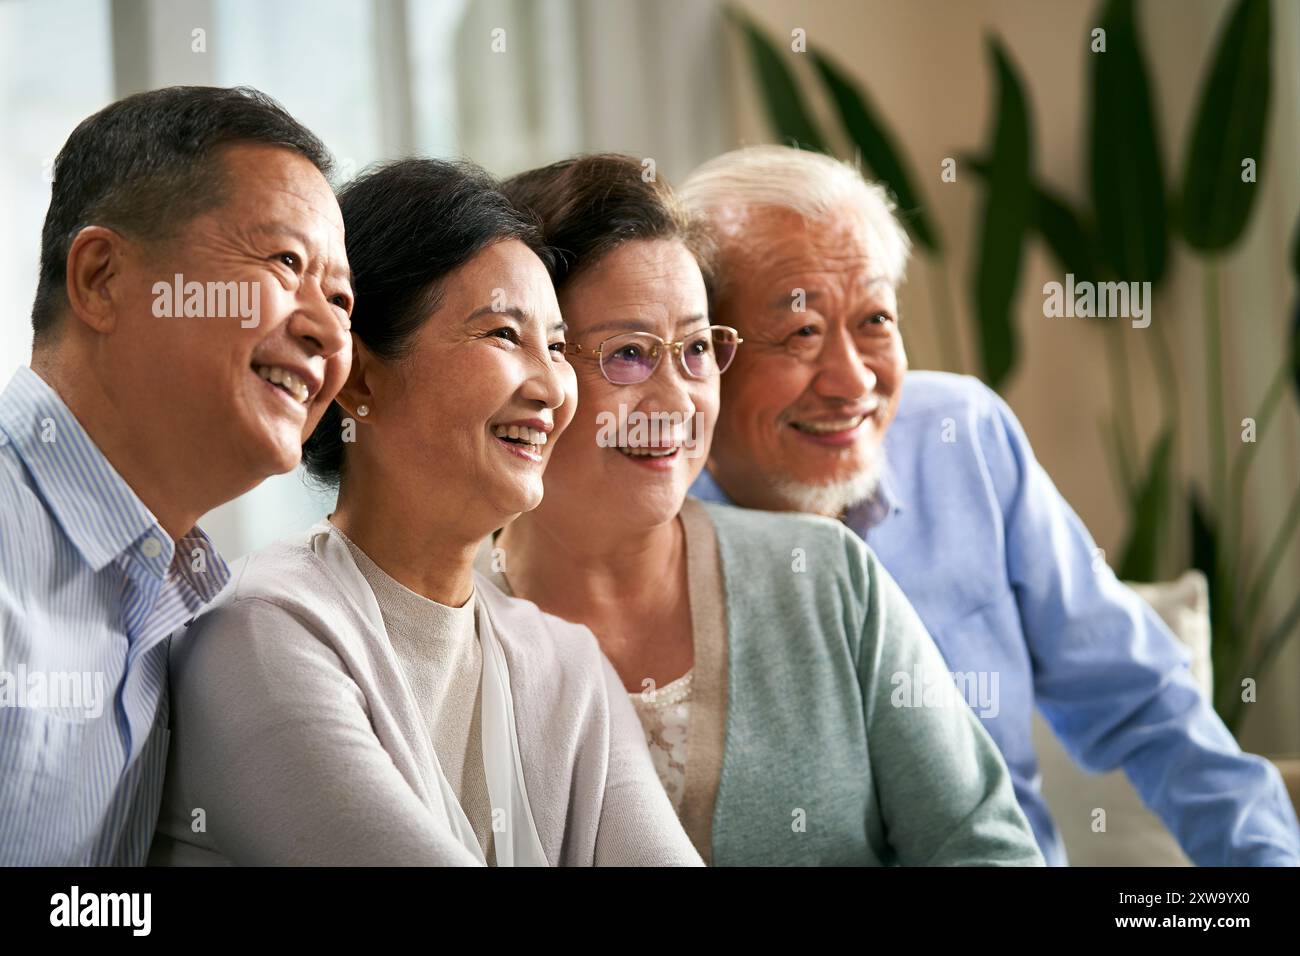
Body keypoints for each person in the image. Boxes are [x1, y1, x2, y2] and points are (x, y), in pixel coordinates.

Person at [679, 143, 1300, 866]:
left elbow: (1143, 701)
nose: (852, 382)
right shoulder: (655, 532)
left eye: (876, 320)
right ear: (704, 351)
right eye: (802, 333)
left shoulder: (963, 438)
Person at [488, 153, 1044, 865]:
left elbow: (981, 846)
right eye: (627, 354)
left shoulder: (828, 575)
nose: (676, 401)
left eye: (695, 348)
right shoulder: (453, 624)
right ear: (532, 373)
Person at [151, 158, 702, 867]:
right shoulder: (261, 631)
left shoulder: (566, 666)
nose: (551, 387)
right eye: (504, 334)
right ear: (361, 380)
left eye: (558, 347)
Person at [0, 86, 352, 865]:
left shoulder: (202, 610)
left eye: (341, 299)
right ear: (101, 279)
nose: (328, 329)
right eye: (285, 263)